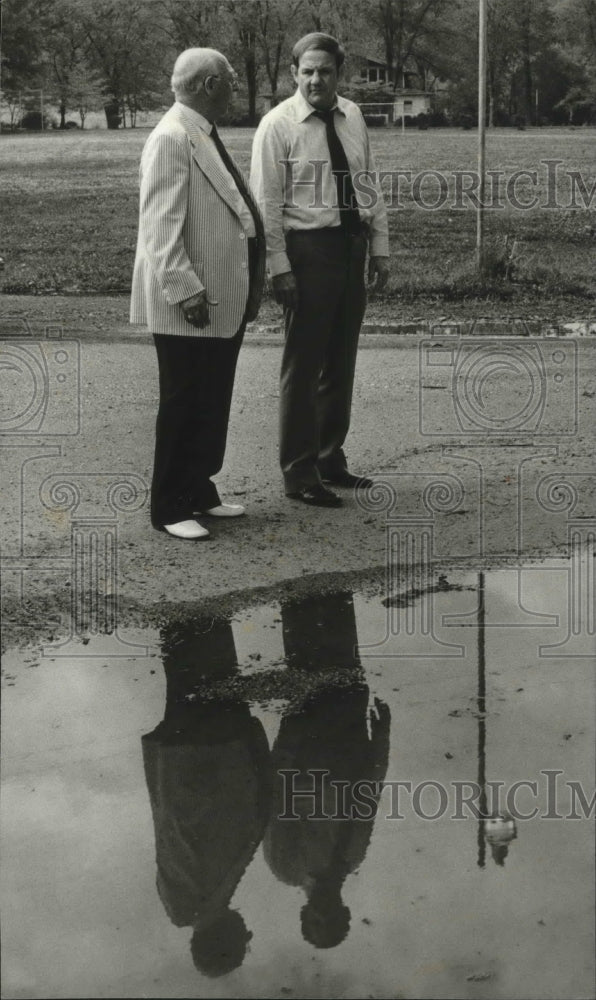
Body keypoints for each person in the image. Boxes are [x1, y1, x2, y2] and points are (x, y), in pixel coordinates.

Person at [250, 32, 389, 508]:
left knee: (341, 362)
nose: (315, 79)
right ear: (293, 74)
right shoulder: (277, 126)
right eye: (307, 71)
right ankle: (299, 472)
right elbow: (265, 203)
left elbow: (368, 184)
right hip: (306, 251)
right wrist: (278, 266)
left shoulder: (352, 116)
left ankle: (331, 458)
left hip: (350, 248)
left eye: (325, 71)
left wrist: (379, 247)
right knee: (304, 366)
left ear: (339, 73)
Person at [131, 48, 266, 539]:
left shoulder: (199, 132)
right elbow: (159, 226)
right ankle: (169, 506)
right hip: (191, 300)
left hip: (220, 295)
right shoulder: (171, 137)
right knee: (186, 400)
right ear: (209, 85)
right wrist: (184, 289)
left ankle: (198, 490)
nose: (234, 85)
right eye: (229, 79)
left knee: (211, 398)